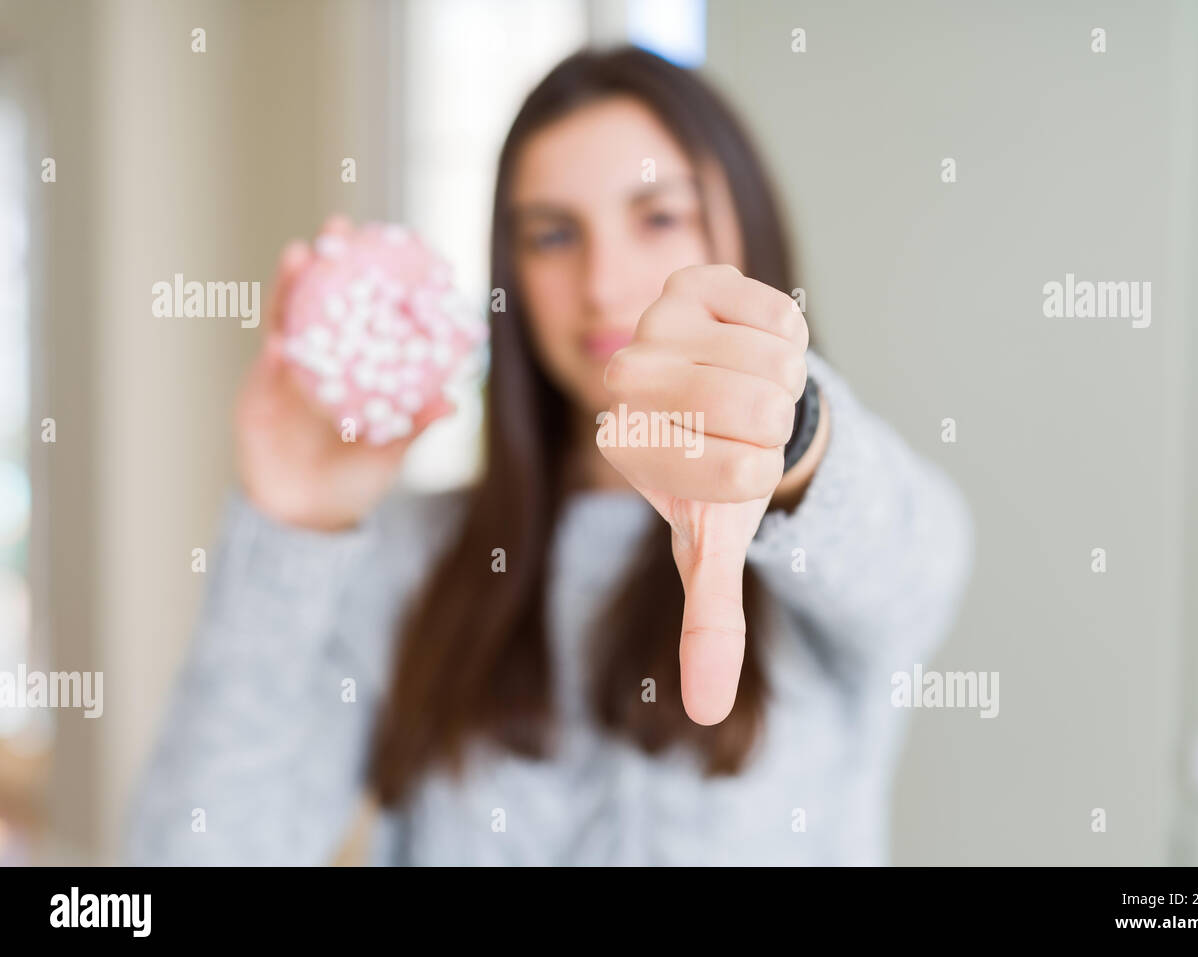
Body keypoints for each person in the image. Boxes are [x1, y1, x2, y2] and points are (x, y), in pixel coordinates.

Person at [123, 45, 973, 866]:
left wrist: (778, 430)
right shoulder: (408, 556)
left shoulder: (838, 536)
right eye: (553, 236)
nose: (604, 281)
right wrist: (292, 523)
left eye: (659, 217)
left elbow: (913, 554)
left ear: (745, 227)